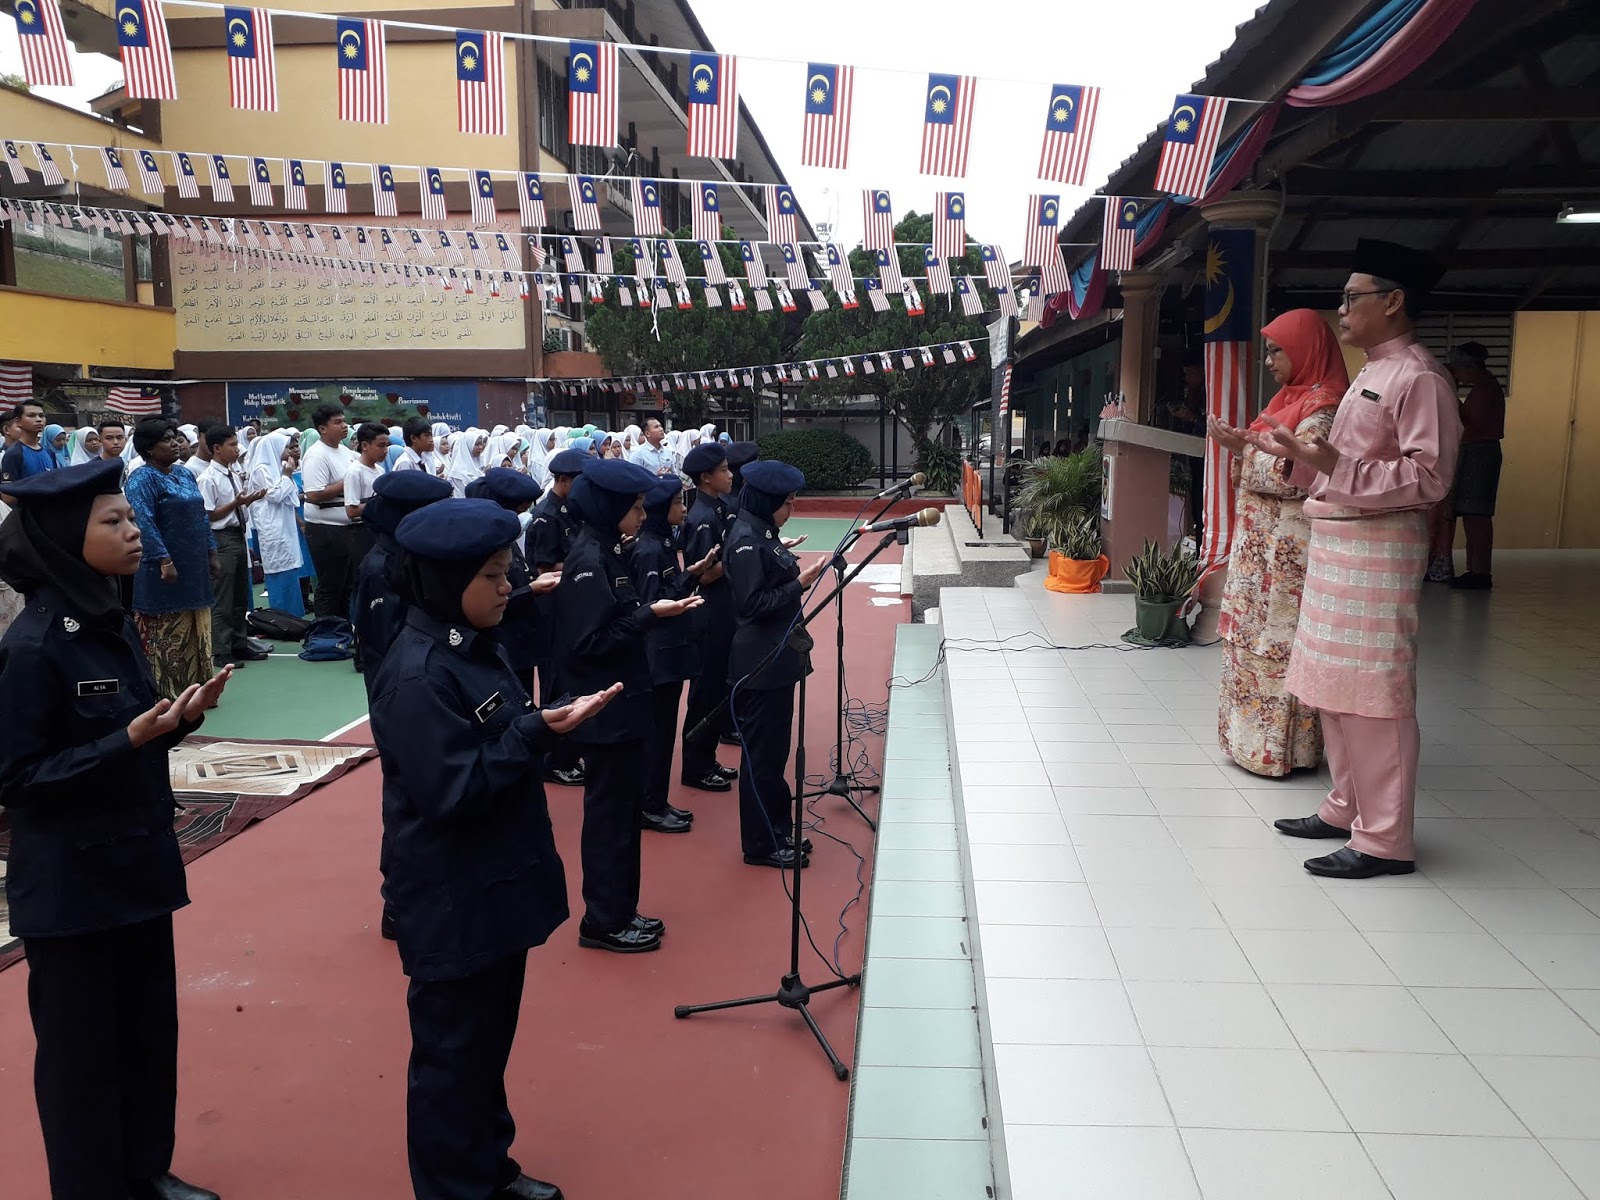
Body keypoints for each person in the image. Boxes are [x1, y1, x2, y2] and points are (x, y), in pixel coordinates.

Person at [370, 497, 620, 1200]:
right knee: (452, 1056)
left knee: (485, 1046)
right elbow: (452, 791)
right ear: (448, 582)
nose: (509, 586)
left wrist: (541, 727)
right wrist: (535, 733)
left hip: (491, 882)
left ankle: (488, 1167)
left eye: (508, 571)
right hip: (451, 895)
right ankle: (455, 1186)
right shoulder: (421, 674)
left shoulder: (475, 648)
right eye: (493, 576)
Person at [0, 457, 232, 1200]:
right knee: (80, 1057)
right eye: (115, 521)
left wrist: (175, 722)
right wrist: (123, 741)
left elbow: (128, 734)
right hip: (72, 884)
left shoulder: (108, 620)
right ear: (66, 537)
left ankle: (144, 1170)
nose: (134, 532)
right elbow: (16, 781)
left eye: (131, 518)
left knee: (145, 1031)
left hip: (134, 866)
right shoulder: (34, 646)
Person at [1257, 239, 1461, 880]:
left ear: (1393, 301)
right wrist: (1301, 460)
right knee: (1332, 687)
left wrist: (1335, 467)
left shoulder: (1419, 376)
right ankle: (1346, 806)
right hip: (1339, 542)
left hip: (1380, 547)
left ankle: (1385, 839)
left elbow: (1431, 477)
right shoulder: (1372, 372)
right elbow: (1337, 466)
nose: (1341, 310)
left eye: (1352, 298)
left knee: (1373, 693)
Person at [553, 458, 702, 952]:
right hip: (606, 711)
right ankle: (603, 920)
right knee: (609, 820)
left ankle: (620, 909)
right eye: (634, 507)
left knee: (621, 817)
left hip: (624, 702)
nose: (642, 516)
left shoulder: (609, 549)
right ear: (608, 507)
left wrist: (649, 613)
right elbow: (588, 642)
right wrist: (648, 615)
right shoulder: (588, 560)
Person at [1208, 310, 1349, 778]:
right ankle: (1246, 742)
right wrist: (1244, 446)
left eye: (1277, 350)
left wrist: (1246, 450)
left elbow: (1295, 475)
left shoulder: (1324, 407)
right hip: (1261, 549)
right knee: (1249, 639)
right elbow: (1268, 457)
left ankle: (1281, 752)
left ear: (1305, 350)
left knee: (1279, 644)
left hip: (1287, 554)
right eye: (1267, 351)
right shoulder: (1289, 401)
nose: (1269, 360)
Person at [724, 460, 830, 869]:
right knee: (761, 760)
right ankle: (760, 843)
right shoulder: (746, 539)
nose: (791, 509)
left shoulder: (763, 533)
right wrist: (798, 584)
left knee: (774, 756)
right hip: (760, 662)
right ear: (767, 500)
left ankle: (777, 830)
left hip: (777, 657)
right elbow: (751, 605)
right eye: (787, 502)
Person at [632, 476, 715, 834]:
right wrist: (684, 588)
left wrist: (692, 574)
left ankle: (657, 799)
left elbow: (669, 589)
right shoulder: (649, 549)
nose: (684, 509)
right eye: (678, 504)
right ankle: (648, 804)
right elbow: (653, 604)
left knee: (664, 731)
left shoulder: (663, 543)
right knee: (657, 733)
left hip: (671, 650)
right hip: (658, 654)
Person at [126, 420, 222, 698]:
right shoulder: (141, 479)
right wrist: (163, 559)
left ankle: (200, 689)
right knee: (167, 630)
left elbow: (201, 516)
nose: (175, 444)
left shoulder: (184, 473)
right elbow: (143, 522)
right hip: (163, 566)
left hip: (195, 563)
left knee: (197, 623)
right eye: (166, 440)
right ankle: (167, 692)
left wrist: (211, 551)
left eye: (176, 438)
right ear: (149, 448)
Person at [465, 468, 560, 698]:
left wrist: (534, 584)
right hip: (504, 640)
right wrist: (530, 590)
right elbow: (493, 598)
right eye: (518, 510)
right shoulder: (483, 545)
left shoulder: (507, 539)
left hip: (522, 640)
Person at [678, 442, 740, 792]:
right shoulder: (702, 517)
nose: (730, 476)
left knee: (719, 689)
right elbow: (703, 574)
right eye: (724, 470)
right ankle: (695, 765)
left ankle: (708, 756)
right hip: (710, 611)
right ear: (705, 477)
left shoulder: (719, 508)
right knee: (706, 691)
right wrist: (736, 559)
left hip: (724, 609)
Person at [528, 448, 587, 787]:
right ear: (564, 480)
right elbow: (545, 568)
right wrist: (588, 562)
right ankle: (553, 760)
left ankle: (567, 751)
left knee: (572, 679)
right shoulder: (546, 516)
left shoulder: (571, 511)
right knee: (556, 684)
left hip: (570, 607)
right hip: (551, 610)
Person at [196, 424, 269, 671]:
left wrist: (248, 501)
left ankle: (239, 642)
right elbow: (208, 515)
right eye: (232, 445)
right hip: (221, 538)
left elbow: (235, 507)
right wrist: (236, 504)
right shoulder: (208, 478)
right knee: (223, 597)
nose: (237, 449)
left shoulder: (233, 474)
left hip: (237, 535)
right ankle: (220, 649)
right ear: (217, 448)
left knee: (240, 594)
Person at [1437, 340, 1506, 590]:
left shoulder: (1486, 388)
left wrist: (1449, 396)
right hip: (1476, 451)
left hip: (1480, 453)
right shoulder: (1484, 386)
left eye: (1459, 370)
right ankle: (1475, 569)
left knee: (1476, 514)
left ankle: (1480, 572)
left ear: (1469, 367)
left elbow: (1469, 423)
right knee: (1471, 514)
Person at [300, 405, 357, 621]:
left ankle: (342, 630)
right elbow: (314, 494)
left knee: (347, 585)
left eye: (344, 421)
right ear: (322, 429)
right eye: (338, 422)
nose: (344, 426)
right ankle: (325, 632)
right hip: (325, 530)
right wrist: (348, 481)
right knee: (330, 586)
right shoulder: (317, 455)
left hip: (347, 528)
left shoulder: (346, 452)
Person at [0, 400, 57, 484]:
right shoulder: (14, 454)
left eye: (41, 416)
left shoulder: (49, 452)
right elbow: (8, 489)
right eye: (31, 415)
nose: (38, 419)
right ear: (18, 421)